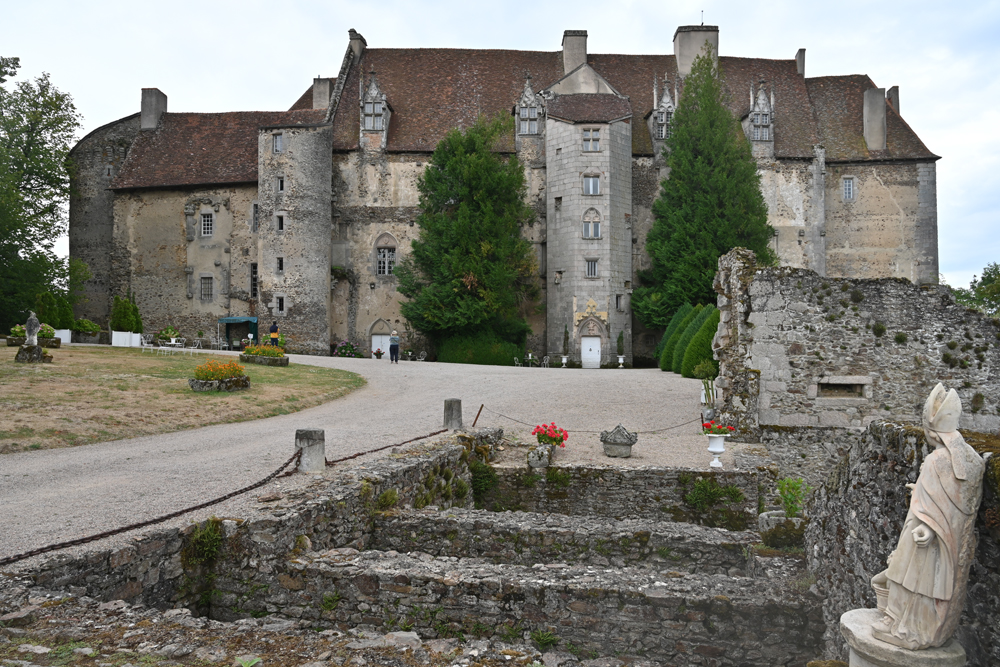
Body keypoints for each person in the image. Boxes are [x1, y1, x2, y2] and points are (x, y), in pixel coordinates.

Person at [869, 383, 985, 650]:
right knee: (904, 574)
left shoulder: (936, 460)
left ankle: (906, 626)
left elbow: (945, 506)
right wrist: (919, 490)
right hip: (933, 531)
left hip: (924, 534)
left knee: (909, 578)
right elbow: (950, 498)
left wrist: (929, 528)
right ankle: (900, 621)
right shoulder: (967, 457)